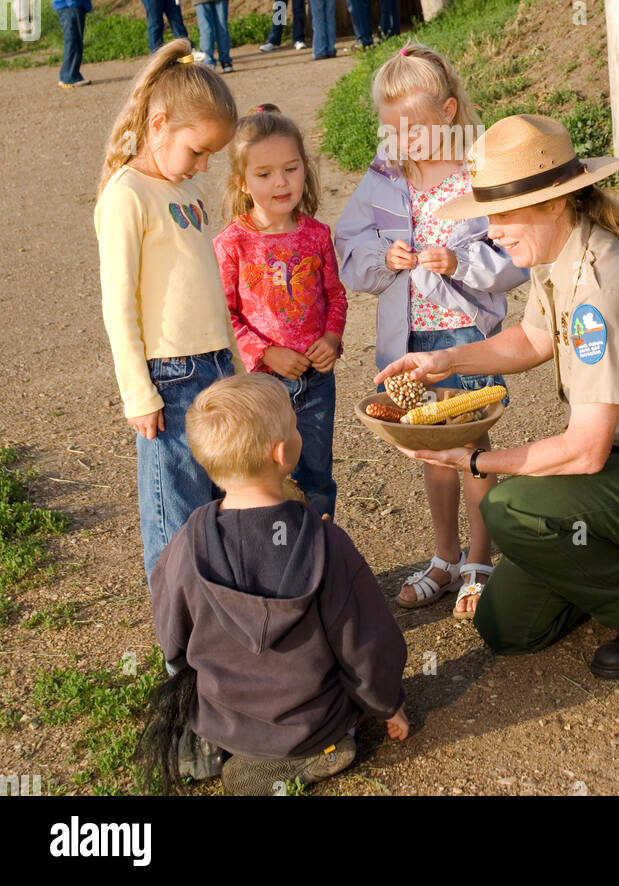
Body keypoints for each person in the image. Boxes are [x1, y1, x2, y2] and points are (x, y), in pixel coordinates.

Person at [377, 114, 619, 679]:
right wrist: (445, 360)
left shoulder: (600, 287)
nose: (492, 230)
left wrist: (472, 460)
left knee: (509, 507)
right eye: (489, 214)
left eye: (503, 215)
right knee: (506, 627)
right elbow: (535, 338)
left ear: (554, 202)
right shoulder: (556, 251)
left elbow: (585, 451)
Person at [138, 373, 408, 796]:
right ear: (282, 453)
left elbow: (171, 632)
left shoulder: (187, 543)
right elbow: (367, 642)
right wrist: (387, 704)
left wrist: (188, 679)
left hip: (220, 714)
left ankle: (217, 745)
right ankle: (310, 754)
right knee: (340, 720)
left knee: (212, 705)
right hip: (307, 722)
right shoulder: (325, 543)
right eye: (295, 425)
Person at [335, 45, 527, 617]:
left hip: (465, 334)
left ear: (446, 113)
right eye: (390, 128)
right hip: (408, 337)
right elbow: (348, 243)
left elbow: (515, 251)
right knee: (427, 446)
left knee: (467, 442)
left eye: (412, 128)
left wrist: (460, 262)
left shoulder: (479, 171)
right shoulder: (383, 176)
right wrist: (382, 256)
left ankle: (480, 557)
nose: (400, 139)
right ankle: (443, 558)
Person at [93, 40, 241, 582]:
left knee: (222, 505)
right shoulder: (126, 195)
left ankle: (219, 625)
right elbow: (119, 304)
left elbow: (205, 287)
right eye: (197, 151)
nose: (203, 165)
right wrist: (138, 391)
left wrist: (234, 364)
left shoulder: (185, 189)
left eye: (210, 156)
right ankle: (180, 646)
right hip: (169, 378)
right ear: (158, 126)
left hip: (216, 367)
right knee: (176, 516)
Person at [215, 106, 347, 518]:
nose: (280, 182)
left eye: (290, 169)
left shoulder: (317, 235)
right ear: (242, 182)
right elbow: (224, 314)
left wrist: (330, 338)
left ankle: (321, 557)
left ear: (304, 169)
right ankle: (273, 558)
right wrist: (266, 352)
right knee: (263, 479)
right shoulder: (232, 243)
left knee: (317, 476)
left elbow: (336, 297)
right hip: (261, 388)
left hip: (316, 384)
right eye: (265, 174)